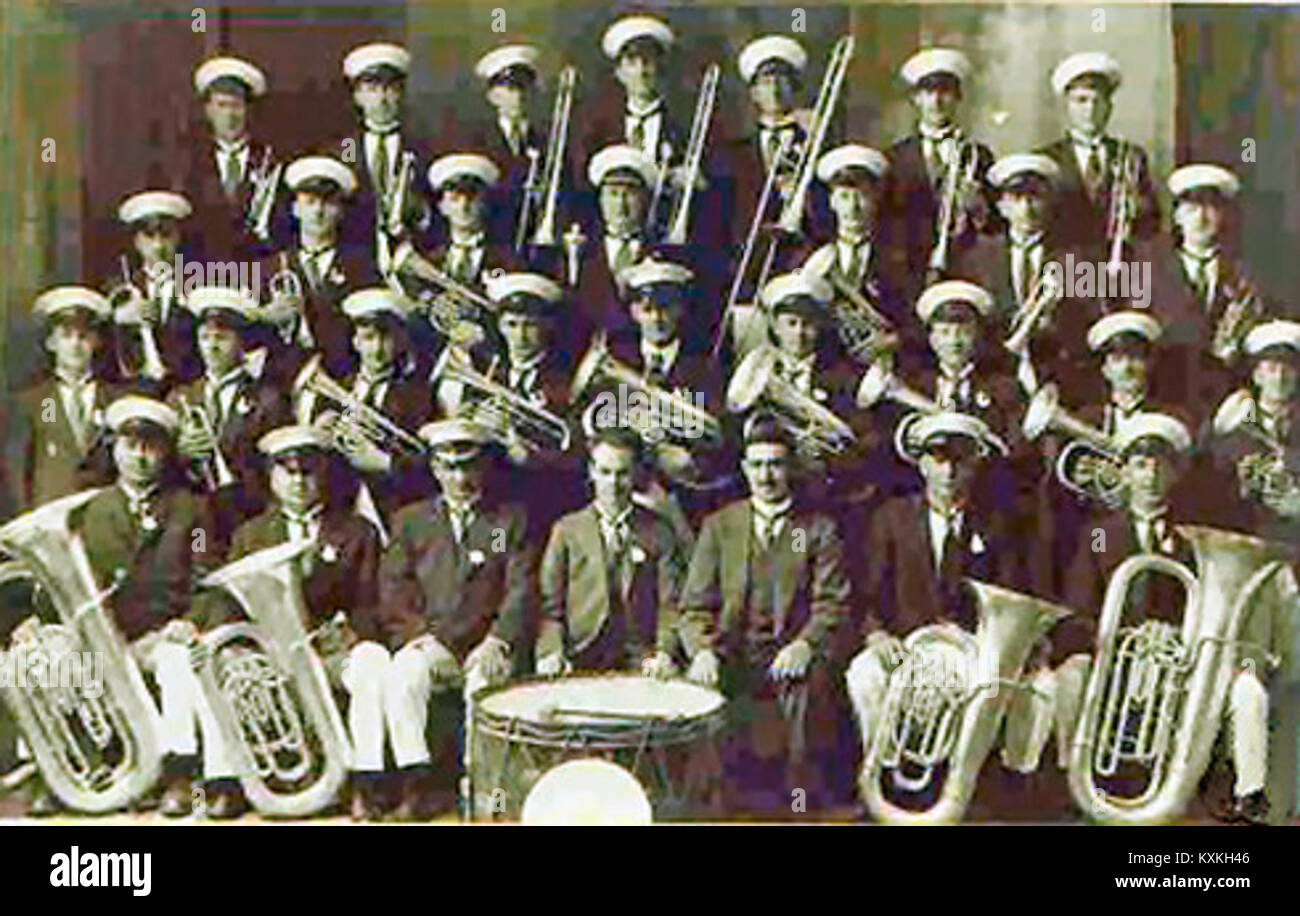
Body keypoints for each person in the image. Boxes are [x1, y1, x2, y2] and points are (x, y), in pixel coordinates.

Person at [1060, 412, 1281, 824]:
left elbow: (1223, 613)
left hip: (1183, 660)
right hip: (1116, 656)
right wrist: (1123, 638)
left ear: (1176, 472)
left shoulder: (1196, 534)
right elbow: (1078, 608)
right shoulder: (1100, 532)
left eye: (1161, 464)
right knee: (1069, 678)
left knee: (1248, 690)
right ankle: (1074, 787)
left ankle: (1248, 796)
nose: (1150, 475)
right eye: (1141, 464)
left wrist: (1179, 637)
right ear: (1123, 470)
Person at [844, 411, 1027, 816]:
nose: (948, 470)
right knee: (863, 674)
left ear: (974, 465)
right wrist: (876, 635)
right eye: (939, 459)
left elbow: (1011, 597)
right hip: (907, 647)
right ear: (922, 464)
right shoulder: (890, 517)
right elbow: (867, 598)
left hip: (972, 651)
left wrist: (982, 648)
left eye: (959, 460)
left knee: (1000, 688)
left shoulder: (996, 524)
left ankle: (967, 790)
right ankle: (887, 776)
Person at [68, 395, 239, 817]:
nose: (140, 457)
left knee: (177, 660)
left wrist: (189, 622)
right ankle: (80, 771)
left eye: (151, 446)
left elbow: (209, 575)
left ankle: (182, 775)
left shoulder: (194, 511)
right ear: (114, 449)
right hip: (113, 636)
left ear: (166, 452)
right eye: (131, 446)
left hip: (172, 631)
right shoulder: (88, 512)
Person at [677, 417, 852, 813]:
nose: (766, 475)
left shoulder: (815, 528)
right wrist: (702, 650)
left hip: (789, 656)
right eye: (756, 465)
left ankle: (799, 805)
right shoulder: (720, 526)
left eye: (774, 464)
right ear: (743, 468)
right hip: (730, 652)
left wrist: (806, 644)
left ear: (790, 468)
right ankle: (711, 810)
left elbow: (832, 603)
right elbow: (693, 607)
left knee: (807, 691)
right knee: (700, 692)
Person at [215, 424, 389, 820]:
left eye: (307, 471)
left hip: (332, 651)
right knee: (219, 669)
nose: (298, 481)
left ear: (324, 474)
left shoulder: (357, 531)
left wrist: (352, 633)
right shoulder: (250, 534)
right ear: (272, 476)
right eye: (287, 471)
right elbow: (228, 606)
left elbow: (372, 601)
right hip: (272, 654)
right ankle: (232, 784)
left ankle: (366, 782)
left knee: (373, 664)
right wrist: (240, 649)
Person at [376, 418, 530, 818]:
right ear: (434, 469)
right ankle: (417, 784)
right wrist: (418, 635)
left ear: (483, 467)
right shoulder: (411, 521)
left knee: (484, 685)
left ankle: (478, 789)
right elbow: (394, 589)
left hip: (487, 646)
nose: (459, 477)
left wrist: (499, 639)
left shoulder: (505, 521)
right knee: (405, 673)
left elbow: (519, 588)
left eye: (468, 466)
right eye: (449, 467)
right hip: (434, 644)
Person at [536, 426, 688, 674]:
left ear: (636, 474)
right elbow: (549, 608)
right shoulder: (567, 530)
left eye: (622, 474)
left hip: (641, 660)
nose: (613, 484)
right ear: (591, 472)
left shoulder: (659, 531)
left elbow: (670, 605)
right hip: (578, 656)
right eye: (605, 472)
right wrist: (552, 652)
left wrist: (664, 653)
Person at [1136, 164, 1272, 423]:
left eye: (1210, 207)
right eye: (1190, 208)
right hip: (1164, 400)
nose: (1200, 218)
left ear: (1223, 215)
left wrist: (1235, 353)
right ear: (1176, 216)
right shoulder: (1147, 268)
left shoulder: (1245, 273)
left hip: (1227, 405)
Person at [295, 287, 433, 527]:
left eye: (385, 338)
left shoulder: (418, 396)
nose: (377, 349)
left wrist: (383, 463)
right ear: (356, 342)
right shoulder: (332, 392)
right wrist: (318, 438)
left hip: (394, 508)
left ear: (400, 341)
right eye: (369, 338)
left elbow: (429, 465)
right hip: (340, 509)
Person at [166, 286, 291, 550]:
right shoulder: (180, 398)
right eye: (204, 337)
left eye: (221, 338)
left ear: (242, 343)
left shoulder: (267, 399)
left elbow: (278, 467)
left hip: (246, 516)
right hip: (193, 521)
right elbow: (160, 468)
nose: (211, 346)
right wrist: (181, 452)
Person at [255, 155, 376, 385]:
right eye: (310, 202)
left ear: (340, 211)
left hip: (342, 379)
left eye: (328, 203)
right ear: (295, 209)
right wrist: (267, 317)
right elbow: (250, 339)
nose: (318, 211)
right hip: (281, 382)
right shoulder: (271, 267)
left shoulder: (361, 268)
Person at [883, 48, 997, 282]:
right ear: (916, 99)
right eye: (928, 93)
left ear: (957, 98)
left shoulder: (978, 155)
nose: (936, 101)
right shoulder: (895, 157)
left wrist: (978, 209)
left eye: (945, 92)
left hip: (965, 267)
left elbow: (997, 225)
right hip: (908, 270)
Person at [6, 287, 121, 515]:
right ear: (52, 343)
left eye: (83, 337)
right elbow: (18, 471)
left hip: (102, 519)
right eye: (66, 336)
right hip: (49, 516)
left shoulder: (114, 400)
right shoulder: (34, 401)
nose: (75, 345)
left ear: (96, 342)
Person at [1036, 52, 1159, 251]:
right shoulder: (1046, 160)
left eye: (1098, 101)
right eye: (1081, 101)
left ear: (1109, 107)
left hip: (1119, 268)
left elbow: (1152, 223)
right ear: (1067, 106)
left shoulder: (1131, 156)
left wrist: (1138, 209)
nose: (1090, 110)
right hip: (1063, 266)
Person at [331, 42, 432, 276]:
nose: (382, 99)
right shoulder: (343, 149)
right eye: (372, 90)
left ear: (401, 94)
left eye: (390, 89)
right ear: (357, 97)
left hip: (411, 265)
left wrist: (420, 212)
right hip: (352, 264)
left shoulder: (423, 150)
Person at [185, 55, 278, 261]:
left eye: (237, 106)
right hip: (202, 272)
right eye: (222, 105)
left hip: (257, 272)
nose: (229, 116)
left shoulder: (270, 161)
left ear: (249, 110)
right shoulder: (188, 164)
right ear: (208, 110)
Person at [106, 190, 198, 385]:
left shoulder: (196, 285)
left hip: (185, 389)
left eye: (166, 235)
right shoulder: (118, 289)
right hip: (132, 389)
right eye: (149, 236)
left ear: (178, 238)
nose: (158, 246)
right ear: (137, 242)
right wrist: (119, 318)